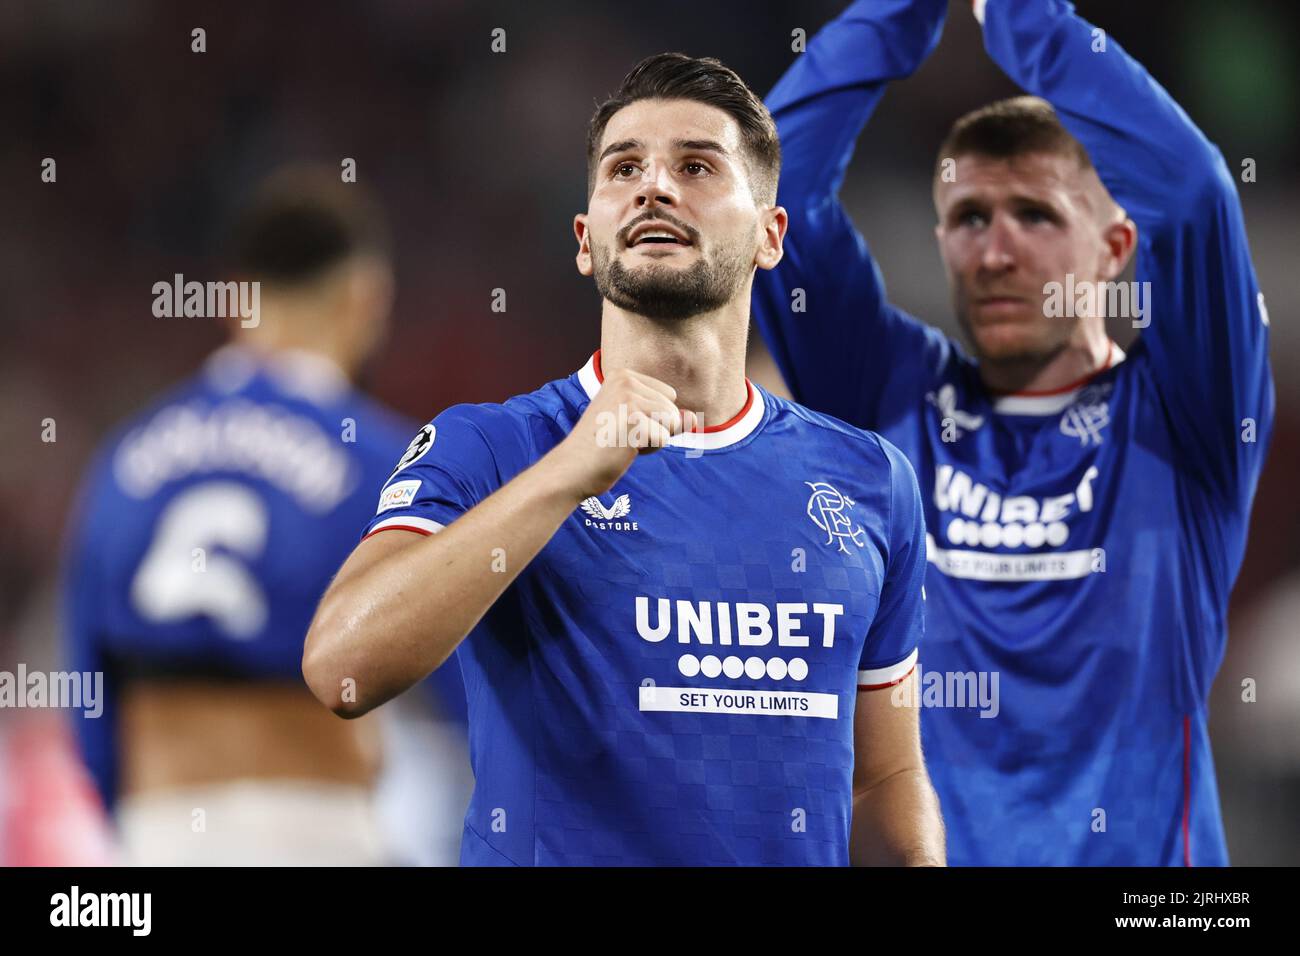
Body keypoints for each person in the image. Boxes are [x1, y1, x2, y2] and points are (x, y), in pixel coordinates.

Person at [304, 53, 945, 867]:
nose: (655, 186)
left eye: (697, 165)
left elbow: (883, 776)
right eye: (625, 167)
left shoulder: (869, 481)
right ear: (586, 239)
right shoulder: (496, 447)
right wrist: (571, 471)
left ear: (771, 235)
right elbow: (342, 668)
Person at [751, 0, 1273, 865]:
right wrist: (900, 11)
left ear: (1114, 245)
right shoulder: (891, 395)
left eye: (1035, 215)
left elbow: (1192, 191)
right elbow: (770, 191)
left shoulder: (1190, 414)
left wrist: (1024, 19)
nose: (995, 252)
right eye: (969, 218)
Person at [63, 169, 468, 865]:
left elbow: (86, 686)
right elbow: (472, 682)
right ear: (365, 298)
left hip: (156, 832)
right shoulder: (388, 458)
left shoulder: (124, 459)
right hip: (316, 830)